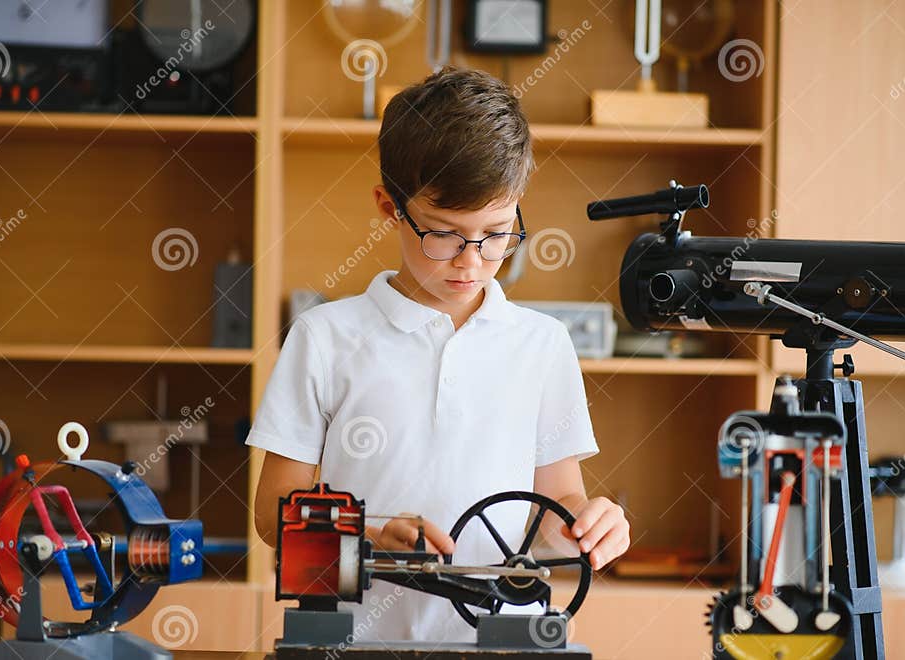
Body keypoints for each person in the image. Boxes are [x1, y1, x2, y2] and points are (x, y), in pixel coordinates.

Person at [247, 66, 630, 644]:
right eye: (444, 234)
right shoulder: (324, 338)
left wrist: (590, 525)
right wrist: (368, 537)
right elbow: (272, 515)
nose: (470, 262)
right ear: (389, 207)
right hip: (357, 642)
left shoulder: (543, 344)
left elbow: (556, 507)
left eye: (496, 233)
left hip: (500, 641)